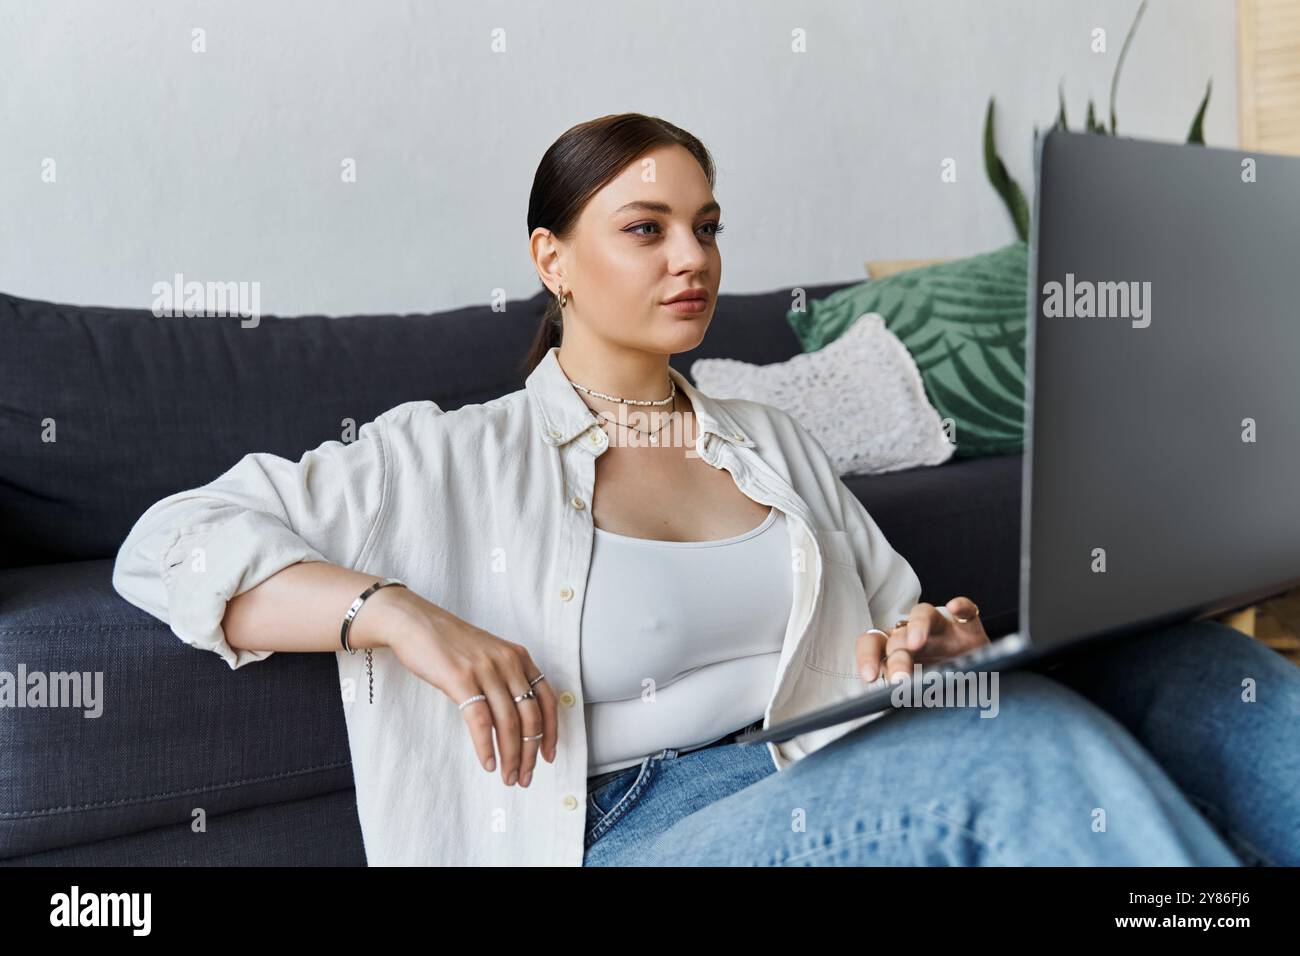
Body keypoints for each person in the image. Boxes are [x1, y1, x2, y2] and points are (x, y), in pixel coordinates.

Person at [112, 112, 1300, 866]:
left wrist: (939, 639)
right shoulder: (444, 456)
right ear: (552, 258)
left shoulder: (768, 437)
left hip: (800, 757)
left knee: (1195, 672)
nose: (692, 257)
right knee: (1009, 749)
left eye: (706, 225)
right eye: (645, 228)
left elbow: (903, 616)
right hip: (610, 827)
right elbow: (168, 542)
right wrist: (394, 613)